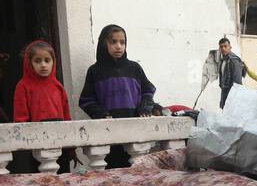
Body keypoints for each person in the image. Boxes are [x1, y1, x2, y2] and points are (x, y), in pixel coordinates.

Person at [79, 24, 157, 167]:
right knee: (113, 172)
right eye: (113, 42)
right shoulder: (95, 71)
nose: (119, 46)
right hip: (109, 135)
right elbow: (86, 100)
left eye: (122, 42)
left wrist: (144, 109)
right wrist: (102, 115)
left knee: (136, 171)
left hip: (134, 132)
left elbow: (148, 90)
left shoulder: (134, 68)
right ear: (104, 43)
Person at [13, 39, 72, 173]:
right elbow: (20, 119)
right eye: (37, 61)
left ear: (53, 61)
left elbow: (67, 116)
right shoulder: (23, 86)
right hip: (35, 145)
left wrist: (71, 148)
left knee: (62, 182)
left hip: (60, 143)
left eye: (47, 60)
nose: (43, 65)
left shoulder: (58, 87)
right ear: (29, 63)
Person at [209, 36, 246, 108]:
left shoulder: (234, 60)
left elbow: (237, 82)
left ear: (230, 47)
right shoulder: (223, 60)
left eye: (225, 46)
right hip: (225, 92)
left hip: (233, 95)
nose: (223, 48)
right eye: (221, 47)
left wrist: (233, 97)